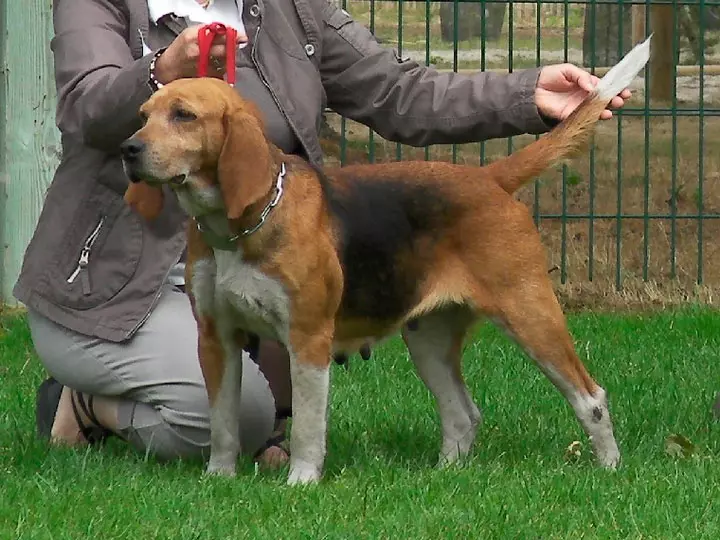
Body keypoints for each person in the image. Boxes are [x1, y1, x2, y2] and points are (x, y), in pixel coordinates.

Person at [17, 0, 633, 468]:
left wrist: (528, 95)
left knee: (267, 407)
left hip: (267, 252)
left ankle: (276, 422)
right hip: (114, 285)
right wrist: (156, 71)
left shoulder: (289, 8)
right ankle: (82, 404)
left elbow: (400, 90)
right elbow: (84, 105)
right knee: (240, 422)